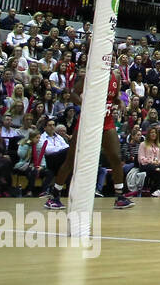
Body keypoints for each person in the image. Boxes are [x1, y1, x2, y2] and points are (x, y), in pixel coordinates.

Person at [44, 69, 134, 210]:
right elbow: (73, 94)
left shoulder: (115, 76)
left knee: (116, 157)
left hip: (106, 121)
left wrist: (120, 103)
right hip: (88, 122)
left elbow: (114, 97)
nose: (110, 60)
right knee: (72, 160)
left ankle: (120, 196)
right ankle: (54, 195)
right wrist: (84, 103)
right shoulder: (91, 73)